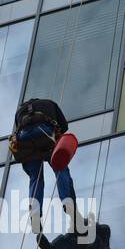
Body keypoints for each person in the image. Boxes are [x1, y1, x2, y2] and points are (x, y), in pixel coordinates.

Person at [10, 98, 76, 233]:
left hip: (25, 140)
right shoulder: (50, 103)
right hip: (45, 133)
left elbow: (17, 129)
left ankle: (35, 214)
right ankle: (68, 202)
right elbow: (64, 126)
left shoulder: (19, 112)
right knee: (60, 167)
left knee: (35, 177)